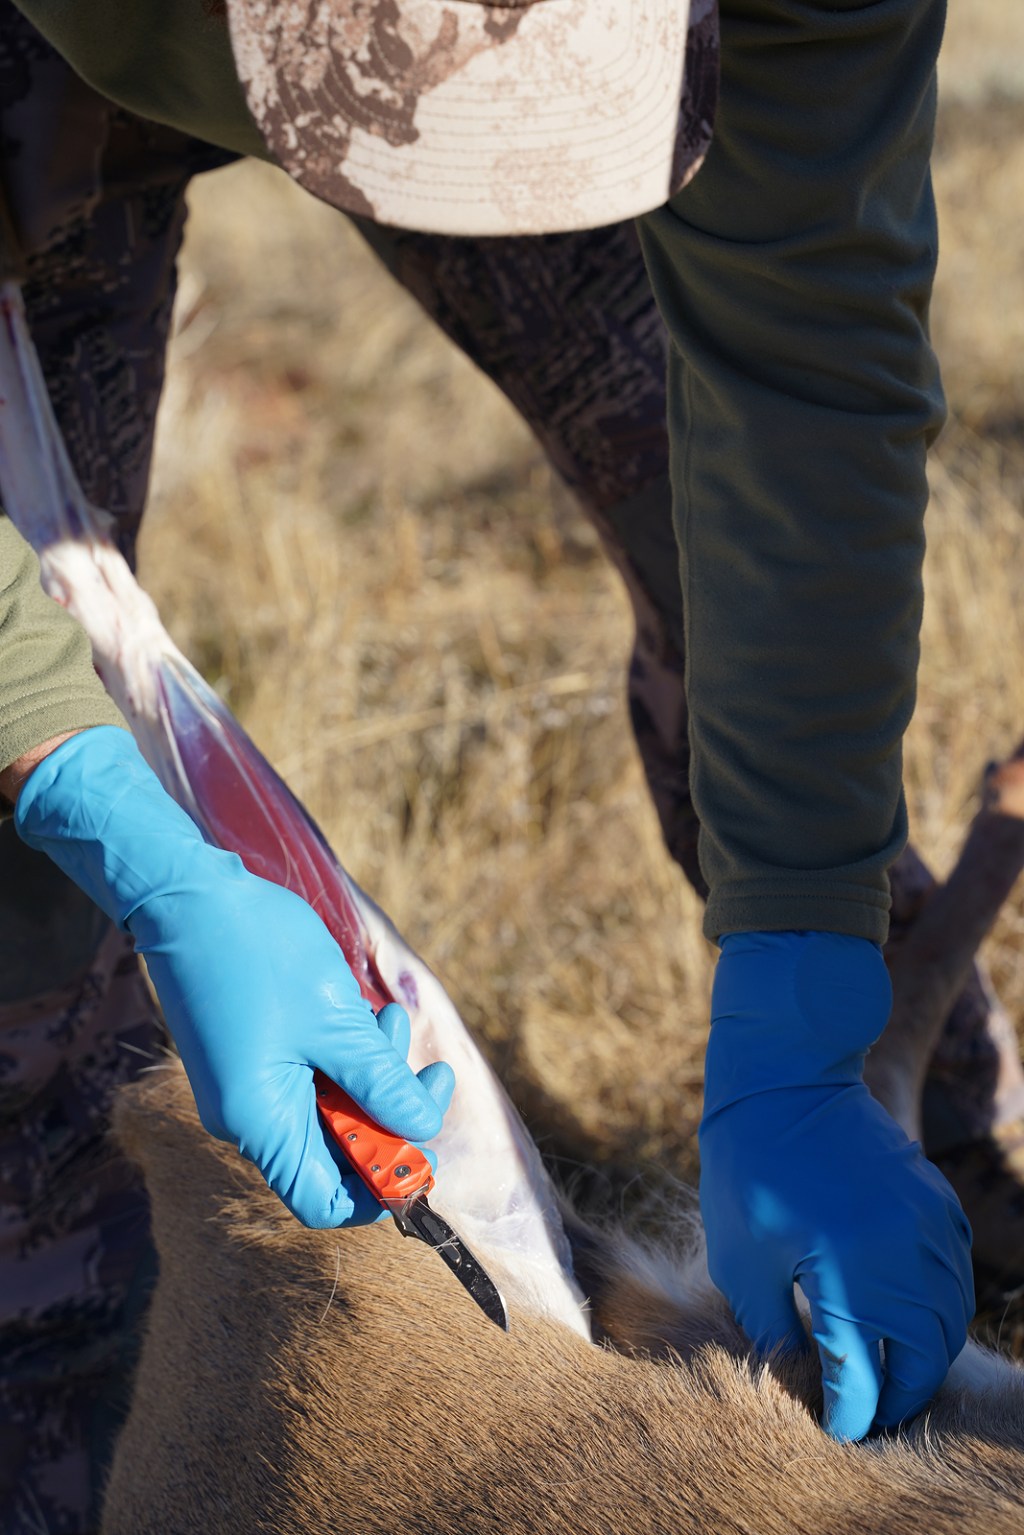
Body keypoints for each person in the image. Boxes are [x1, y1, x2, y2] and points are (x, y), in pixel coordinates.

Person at [0, 0, 1015, 1528]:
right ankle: (63, 1374)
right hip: (67, 53)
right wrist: (94, 801)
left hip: (622, 91)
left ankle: (907, 1141)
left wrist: (804, 982)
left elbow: (804, 357)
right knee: (29, 838)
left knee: (720, 527)